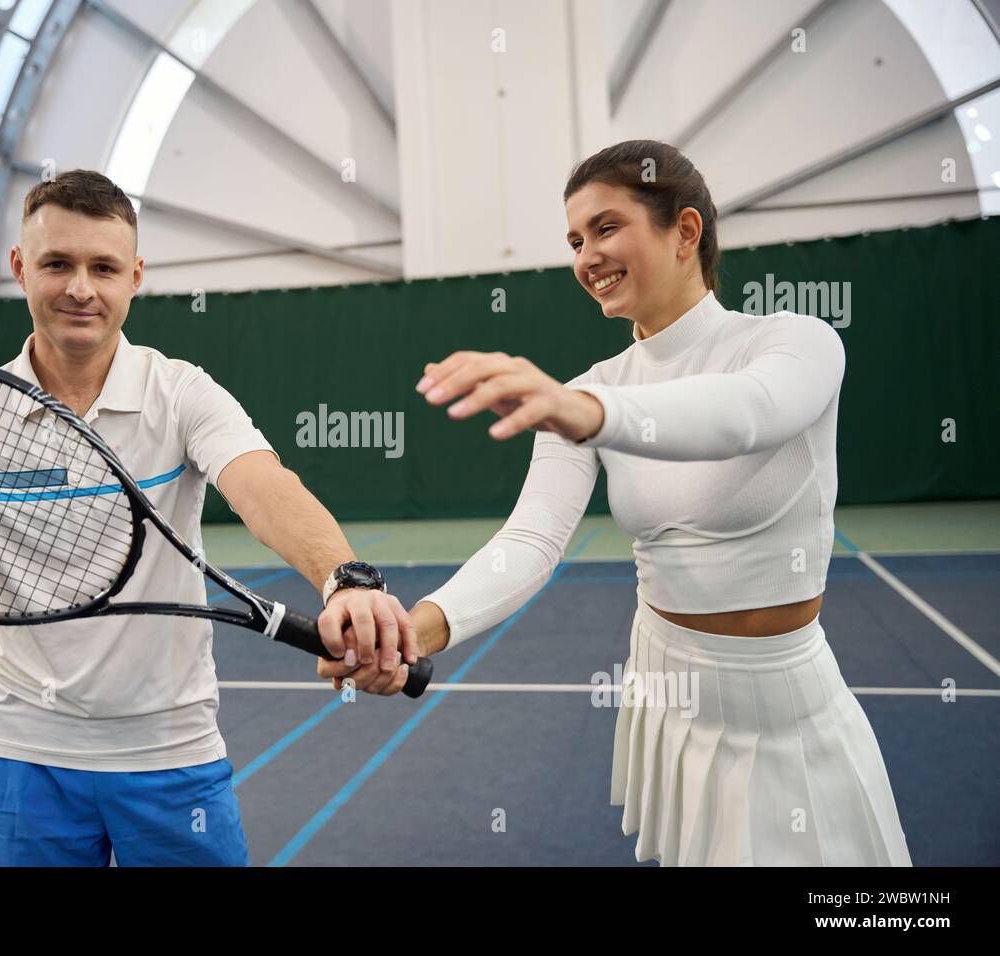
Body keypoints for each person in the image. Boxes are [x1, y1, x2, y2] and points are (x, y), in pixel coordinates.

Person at [0, 169, 419, 866]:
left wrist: (345, 578)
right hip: (22, 753)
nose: (80, 288)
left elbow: (264, 486)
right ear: (20, 268)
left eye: (104, 267)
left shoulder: (182, 391)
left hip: (170, 751)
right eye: (57, 263)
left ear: (136, 277)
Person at [320, 140, 912, 867]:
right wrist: (418, 630)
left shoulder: (794, 342)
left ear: (685, 231)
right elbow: (530, 541)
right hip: (670, 689)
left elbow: (748, 413)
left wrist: (591, 410)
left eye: (605, 228)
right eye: (574, 241)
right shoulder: (590, 388)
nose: (585, 257)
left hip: (790, 700)